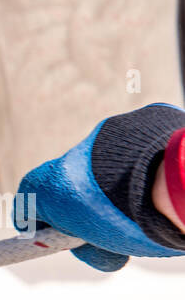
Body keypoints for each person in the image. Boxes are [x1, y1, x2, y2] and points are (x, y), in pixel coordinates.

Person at [17, 104, 185, 271]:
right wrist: (31, 230)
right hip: (86, 198)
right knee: (107, 260)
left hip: (160, 118)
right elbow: (32, 194)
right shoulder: (76, 197)